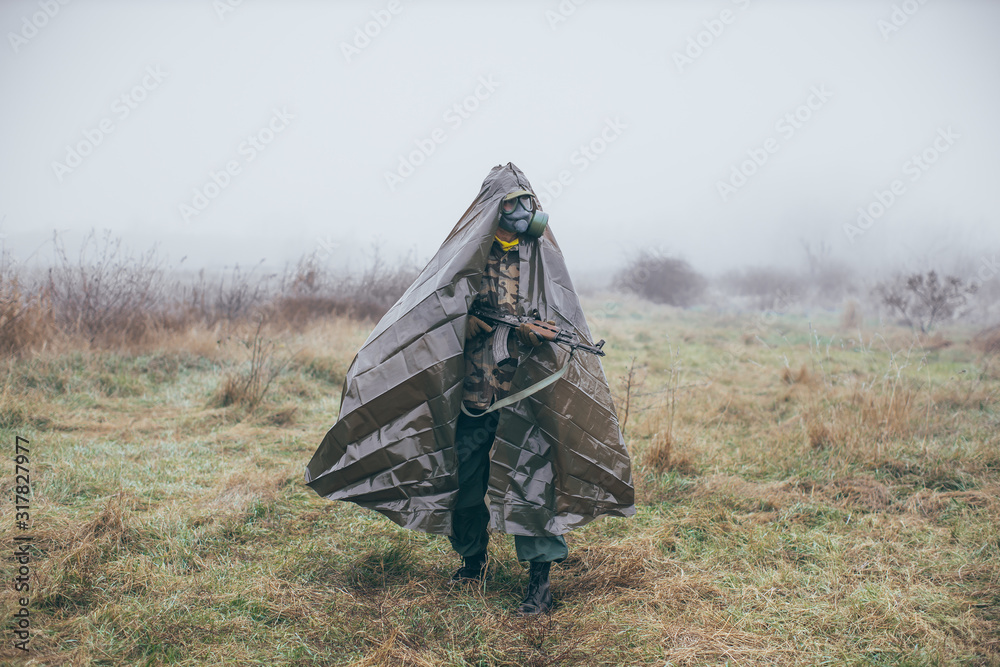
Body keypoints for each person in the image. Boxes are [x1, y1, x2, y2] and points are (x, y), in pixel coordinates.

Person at [305, 162, 634, 616]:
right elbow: (432, 315)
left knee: (532, 481)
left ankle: (540, 584)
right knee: (469, 482)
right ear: (492, 209)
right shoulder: (466, 258)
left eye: (526, 203)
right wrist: (465, 323)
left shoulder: (538, 257)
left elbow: (559, 313)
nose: (522, 212)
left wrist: (529, 336)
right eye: (512, 204)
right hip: (475, 395)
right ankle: (472, 563)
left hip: (529, 393)